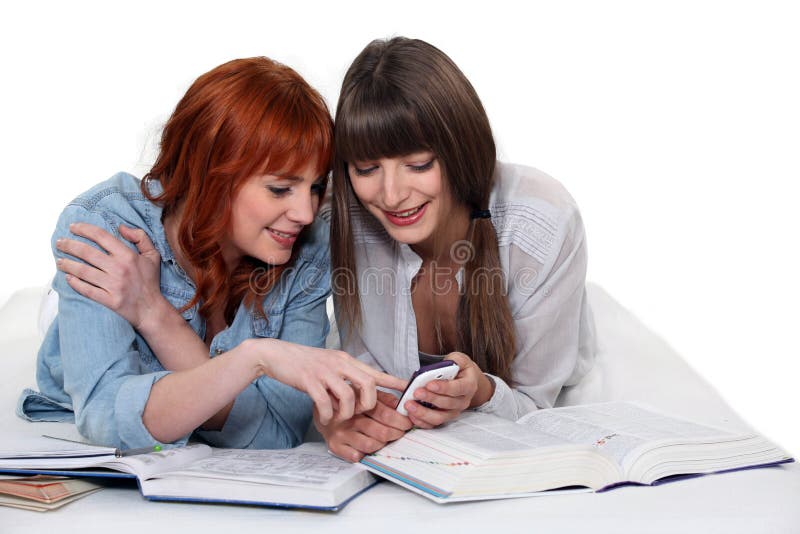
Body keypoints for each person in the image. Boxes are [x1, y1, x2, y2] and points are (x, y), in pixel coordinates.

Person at [17, 57, 404, 451]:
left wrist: (156, 315)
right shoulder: (105, 225)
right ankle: (55, 305)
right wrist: (251, 366)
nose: (305, 213)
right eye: (279, 189)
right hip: (87, 322)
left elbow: (275, 433)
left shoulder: (310, 248)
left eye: (315, 187)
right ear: (211, 175)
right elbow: (102, 416)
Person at [317, 37, 596, 460]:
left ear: (460, 151)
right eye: (367, 169)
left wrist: (481, 391)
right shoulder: (337, 210)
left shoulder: (540, 223)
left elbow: (536, 406)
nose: (391, 195)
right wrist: (336, 419)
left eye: (418, 164)